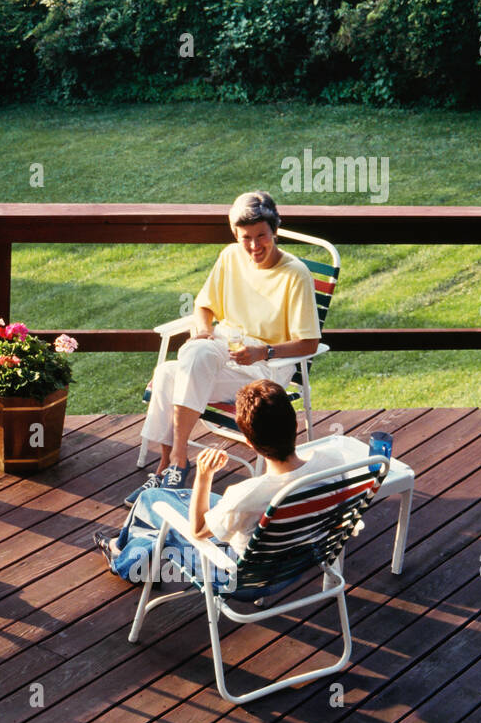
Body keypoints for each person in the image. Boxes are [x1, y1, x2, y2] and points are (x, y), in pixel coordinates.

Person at [127, 190, 321, 507]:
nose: (255, 246)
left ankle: (176, 465)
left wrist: (263, 353)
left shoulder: (295, 274)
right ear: (236, 234)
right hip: (221, 351)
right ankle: (169, 467)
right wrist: (203, 331)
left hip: (266, 368)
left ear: (275, 230)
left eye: (262, 236)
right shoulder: (230, 257)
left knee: (177, 369)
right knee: (174, 368)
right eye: (246, 237)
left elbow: (309, 342)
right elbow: (204, 307)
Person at [98, 380, 344, 582]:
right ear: (295, 424)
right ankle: (126, 551)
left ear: (249, 442)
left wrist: (204, 476)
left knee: (150, 500)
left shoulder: (247, 495)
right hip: (296, 559)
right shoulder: (333, 461)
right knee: (166, 510)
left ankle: (122, 559)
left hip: (238, 571)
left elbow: (197, 532)